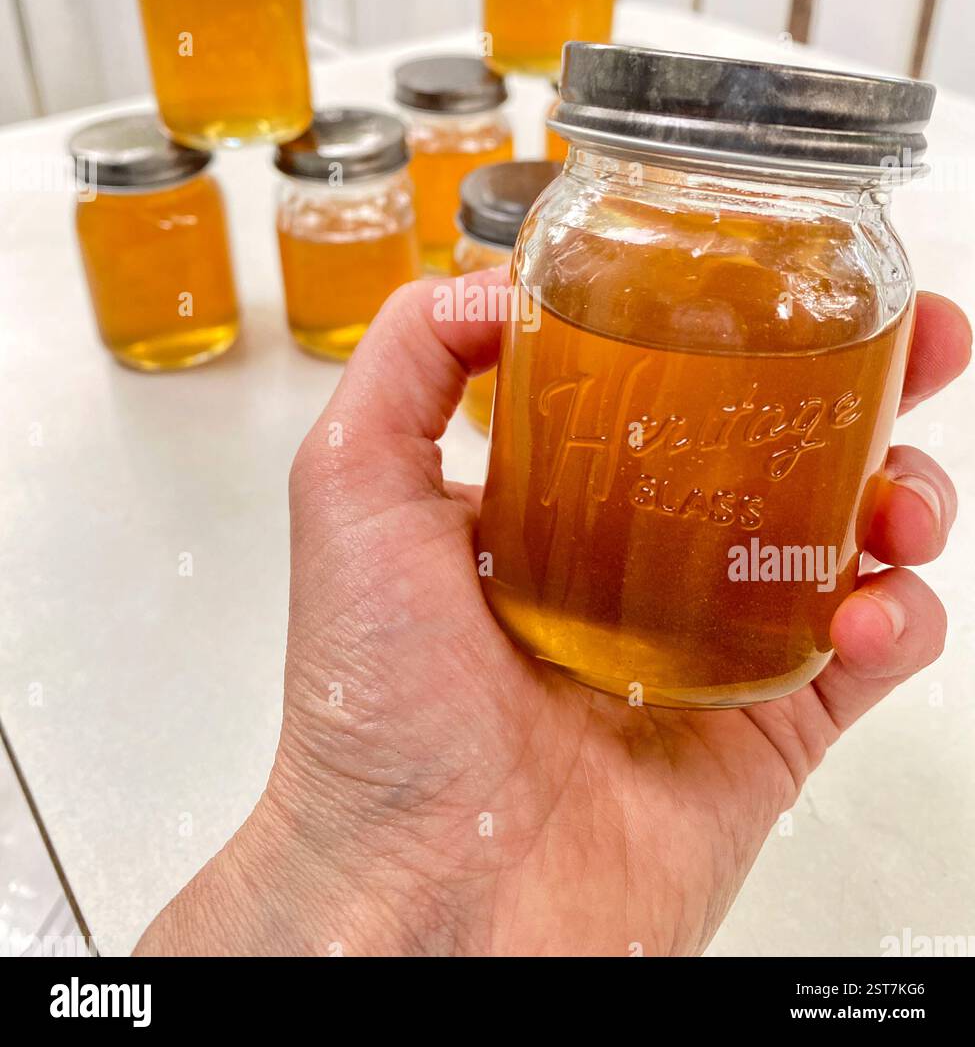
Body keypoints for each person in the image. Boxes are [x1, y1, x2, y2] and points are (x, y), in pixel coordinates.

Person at [135, 272, 970, 957]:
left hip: (737, 690)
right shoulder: (574, 254)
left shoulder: (855, 288)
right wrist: (368, 868)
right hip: (536, 643)